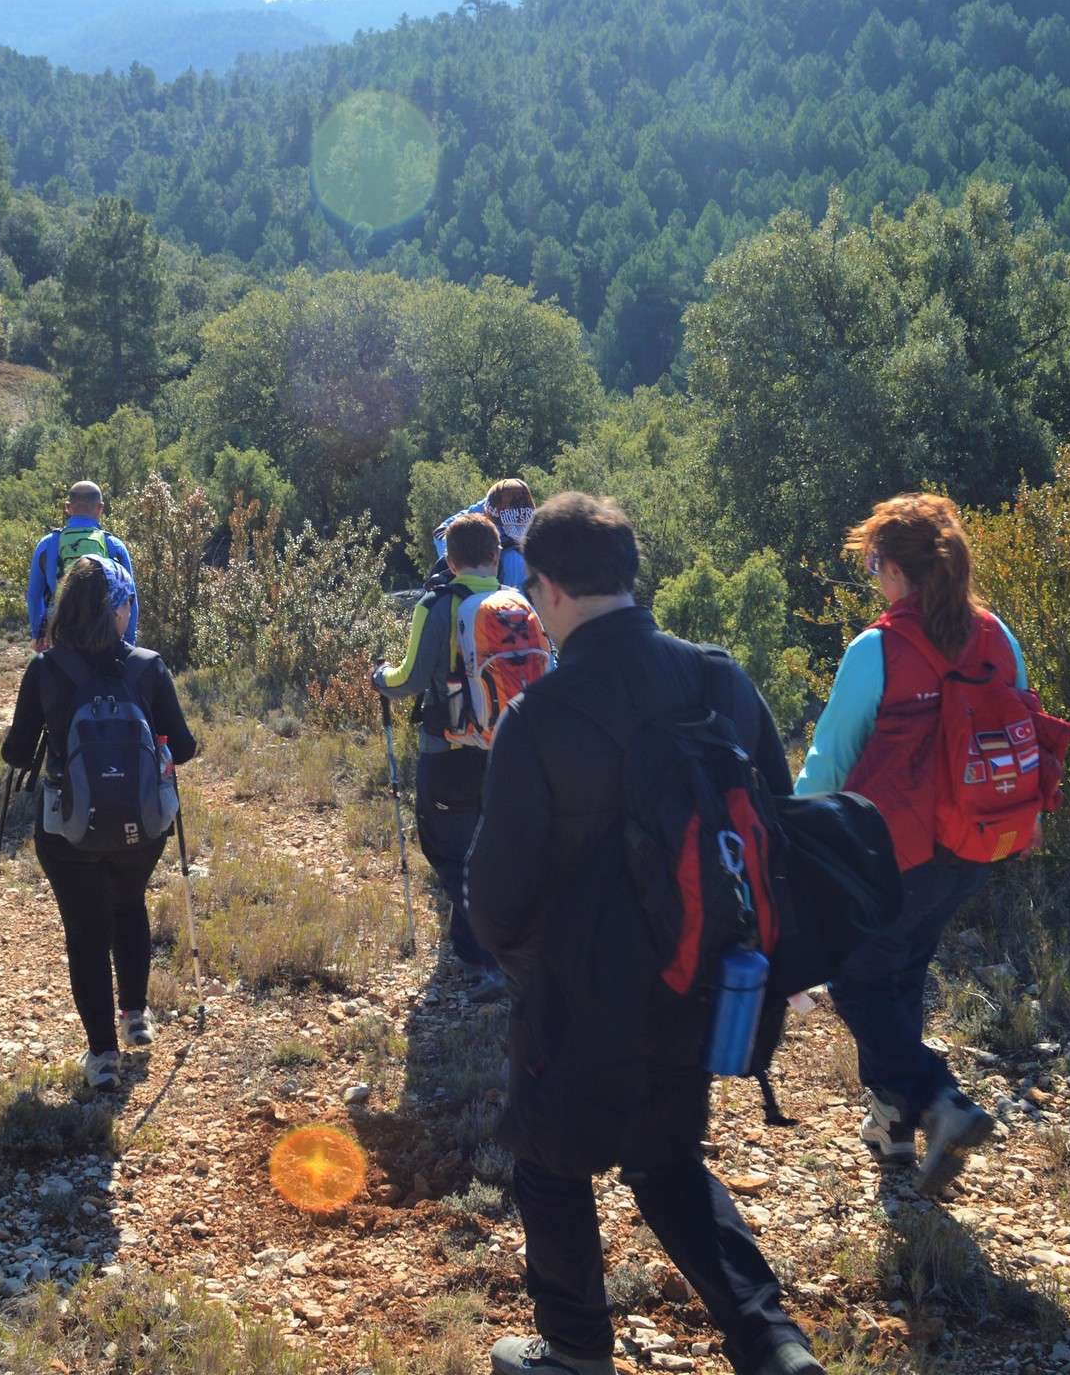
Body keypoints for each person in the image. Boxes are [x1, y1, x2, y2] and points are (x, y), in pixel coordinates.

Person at [468, 494, 819, 1375]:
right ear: (630, 574)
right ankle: (773, 1343)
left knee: (550, 1163)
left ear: (542, 589)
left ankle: (578, 1352)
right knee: (666, 1161)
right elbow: (780, 823)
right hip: (704, 978)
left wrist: (529, 971)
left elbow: (495, 898)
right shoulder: (716, 679)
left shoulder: (538, 718)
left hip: (577, 997)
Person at [795, 493, 1018, 1195]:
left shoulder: (879, 648)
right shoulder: (994, 635)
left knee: (857, 981)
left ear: (891, 568)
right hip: (972, 848)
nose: (872, 577)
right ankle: (893, 1130)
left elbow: (831, 759)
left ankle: (939, 1102)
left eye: (871, 564)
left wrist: (794, 838)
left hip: (897, 855)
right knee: (898, 978)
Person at [1, 555, 194, 1090]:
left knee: (86, 934)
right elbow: (185, 746)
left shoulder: (46, 669)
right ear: (116, 609)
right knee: (128, 905)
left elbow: (17, 754)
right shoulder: (148, 666)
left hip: (67, 831)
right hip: (141, 828)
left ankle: (102, 1056)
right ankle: (135, 1015)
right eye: (127, 602)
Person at [375, 512, 525, 1004]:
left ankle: (482, 958)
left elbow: (409, 682)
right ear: (497, 555)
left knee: (448, 854)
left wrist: (380, 678)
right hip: (506, 753)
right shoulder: (519, 605)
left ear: (449, 558)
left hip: (449, 751)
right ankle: (496, 949)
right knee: (493, 849)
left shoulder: (436, 605)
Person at [27, 482, 136, 654]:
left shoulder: (47, 544)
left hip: (61, 627)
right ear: (100, 508)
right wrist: (129, 642)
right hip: (103, 628)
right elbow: (129, 599)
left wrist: (37, 634)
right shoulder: (114, 545)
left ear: (68, 508)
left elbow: (34, 595)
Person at [433, 478, 534, 589]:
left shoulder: (461, 545)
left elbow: (439, 532)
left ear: (485, 514)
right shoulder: (529, 559)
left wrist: (487, 502)